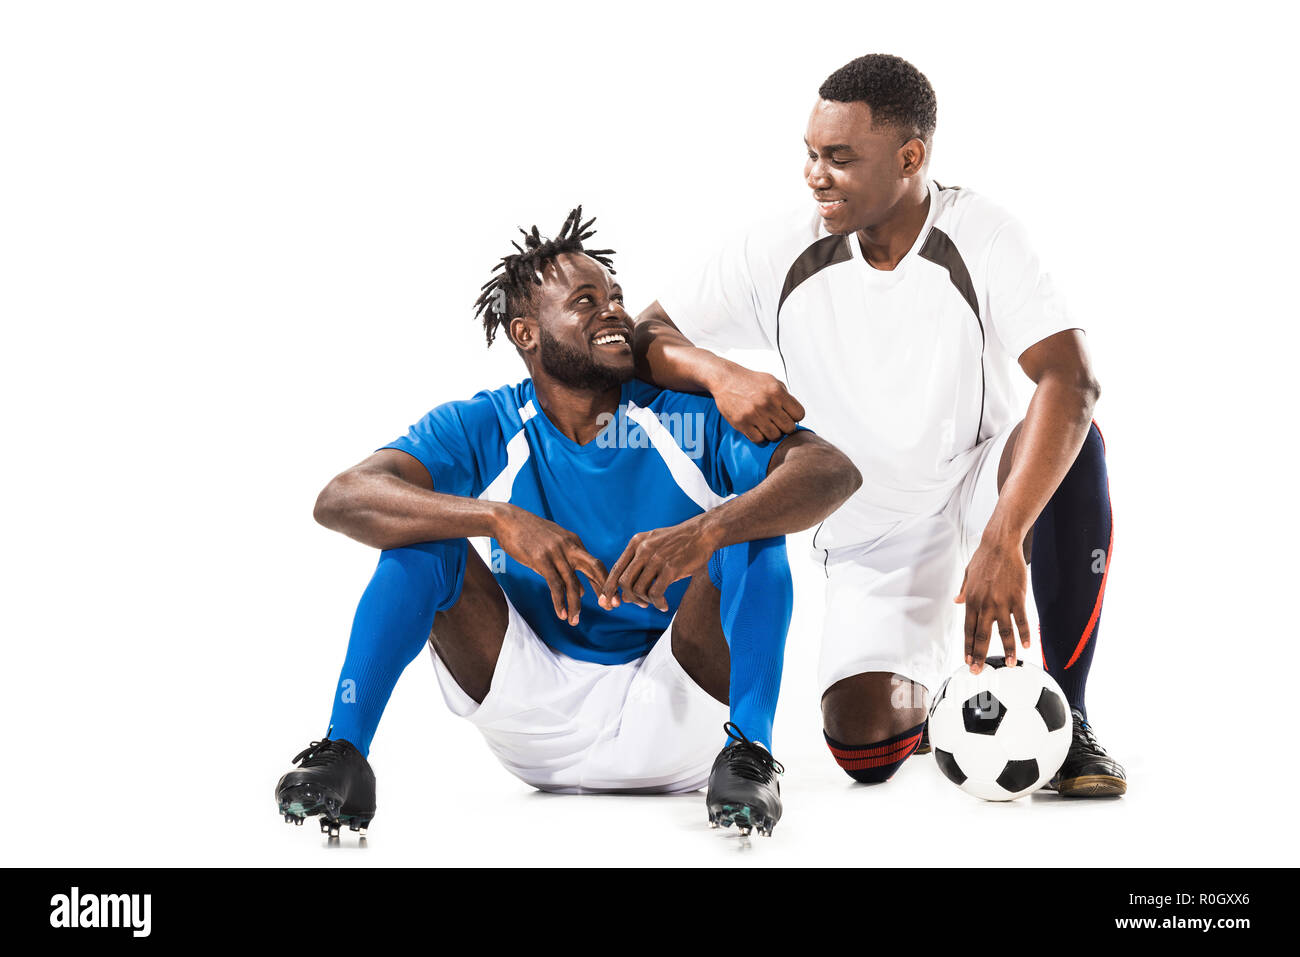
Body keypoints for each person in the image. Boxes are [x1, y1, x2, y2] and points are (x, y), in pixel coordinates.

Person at [275, 208, 862, 839]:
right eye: (585, 302)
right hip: (535, 713)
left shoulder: (684, 418)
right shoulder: (485, 424)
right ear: (526, 332)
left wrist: (706, 531)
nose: (613, 312)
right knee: (425, 541)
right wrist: (497, 519)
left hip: (681, 709)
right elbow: (343, 498)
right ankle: (343, 757)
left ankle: (751, 754)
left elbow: (831, 472)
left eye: (614, 298)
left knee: (748, 530)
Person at [633, 55, 1126, 796]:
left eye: (839, 158)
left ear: (909, 158)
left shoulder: (980, 233)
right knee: (865, 748)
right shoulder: (782, 248)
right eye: (809, 153)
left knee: (1074, 439)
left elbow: (1073, 376)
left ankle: (1070, 714)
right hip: (869, 537)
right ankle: (936, 689)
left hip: (976, 488)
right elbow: (648, 333)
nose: (814, 175)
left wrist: (1003, 536)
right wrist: (720, 372)